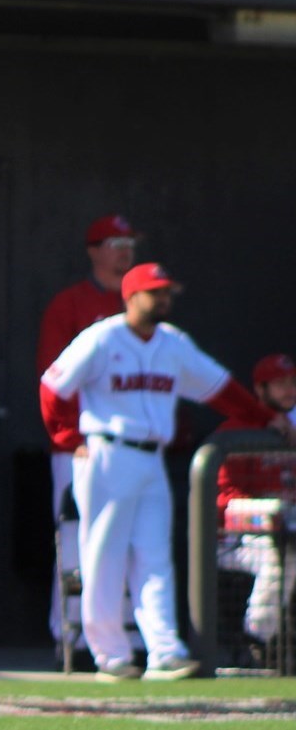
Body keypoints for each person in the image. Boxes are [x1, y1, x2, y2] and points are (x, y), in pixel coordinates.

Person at [40, 263, 296, 682]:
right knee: (104, 557)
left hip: (151, 457)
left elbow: (220, 388)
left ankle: (164, 651)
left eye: (166, 293)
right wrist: (68, 437)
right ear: (131, 296)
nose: (164, 299)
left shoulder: (172, 344)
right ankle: (110, 656)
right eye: (155, 292)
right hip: (107, 451)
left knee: (155, 556)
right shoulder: (102, 338)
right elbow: (53, 386)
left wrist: (263, 417)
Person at [35, 213, 136, 656]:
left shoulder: (142, 306)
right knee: (76, 537)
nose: (124, 250)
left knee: (132, 538)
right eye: (114, 242)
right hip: (80, 445)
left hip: (132, 445)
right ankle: (70, 635)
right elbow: (52, 377)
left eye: (129, 242)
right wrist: (68, 437)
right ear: (93, 251)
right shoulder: (70, 304)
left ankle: (128, 637)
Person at [214, 354, 296, 665]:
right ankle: (256, 642)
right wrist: (271, 513)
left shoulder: (290, 430)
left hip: (283, 534)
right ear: (260, 390)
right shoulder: (235, 430)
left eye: (292, 383)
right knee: (276, 556)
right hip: (232, 540)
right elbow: (222, 501)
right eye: (280, 384)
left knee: (288, 552)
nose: (289, 390)